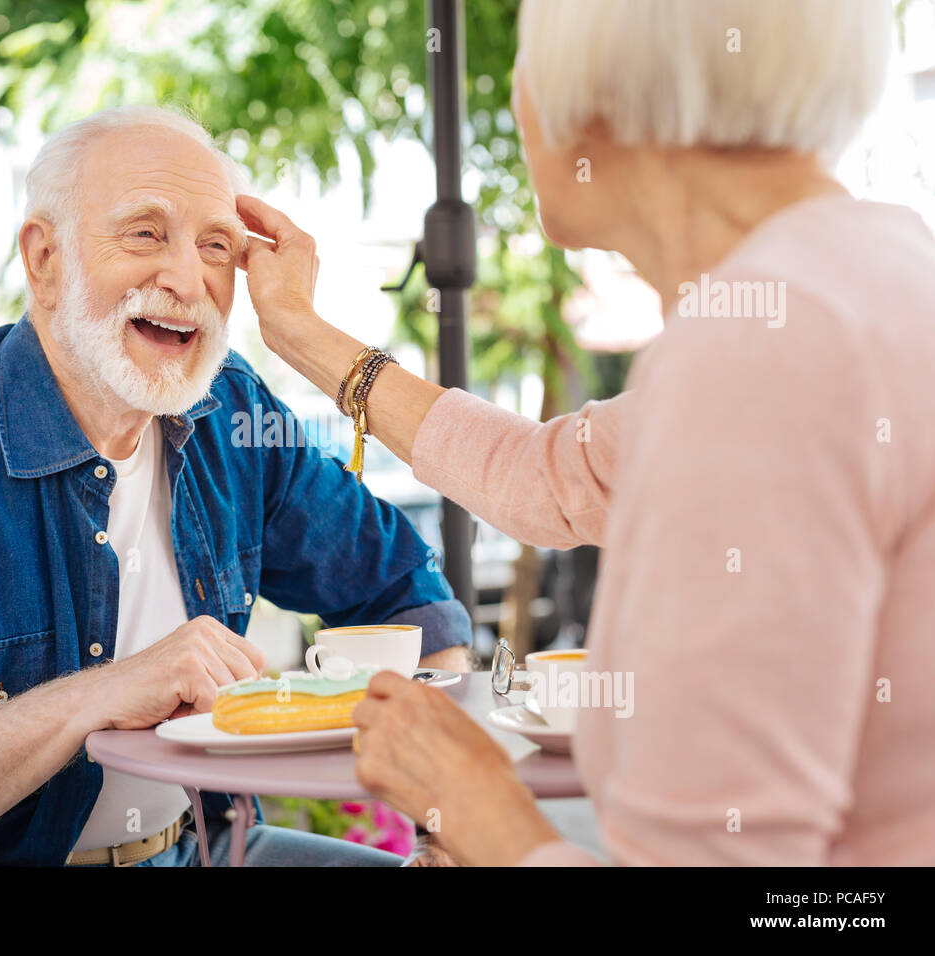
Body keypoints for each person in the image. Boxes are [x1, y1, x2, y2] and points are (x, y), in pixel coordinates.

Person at [236, 0, 935, 865]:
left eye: (528, 66)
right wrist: (298, 330)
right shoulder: (873, 280)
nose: (516, 99)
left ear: (594, 99)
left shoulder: (757, 352)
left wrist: (478, 809)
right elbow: (544, 478)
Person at [0, 105, 472, 867]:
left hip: (204, 847)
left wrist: (439, 820)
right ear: (44, 259)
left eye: (217, 246)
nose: (187, 279)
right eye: (145, 233)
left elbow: (405, 592)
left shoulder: (231, 412)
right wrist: (101, 695)